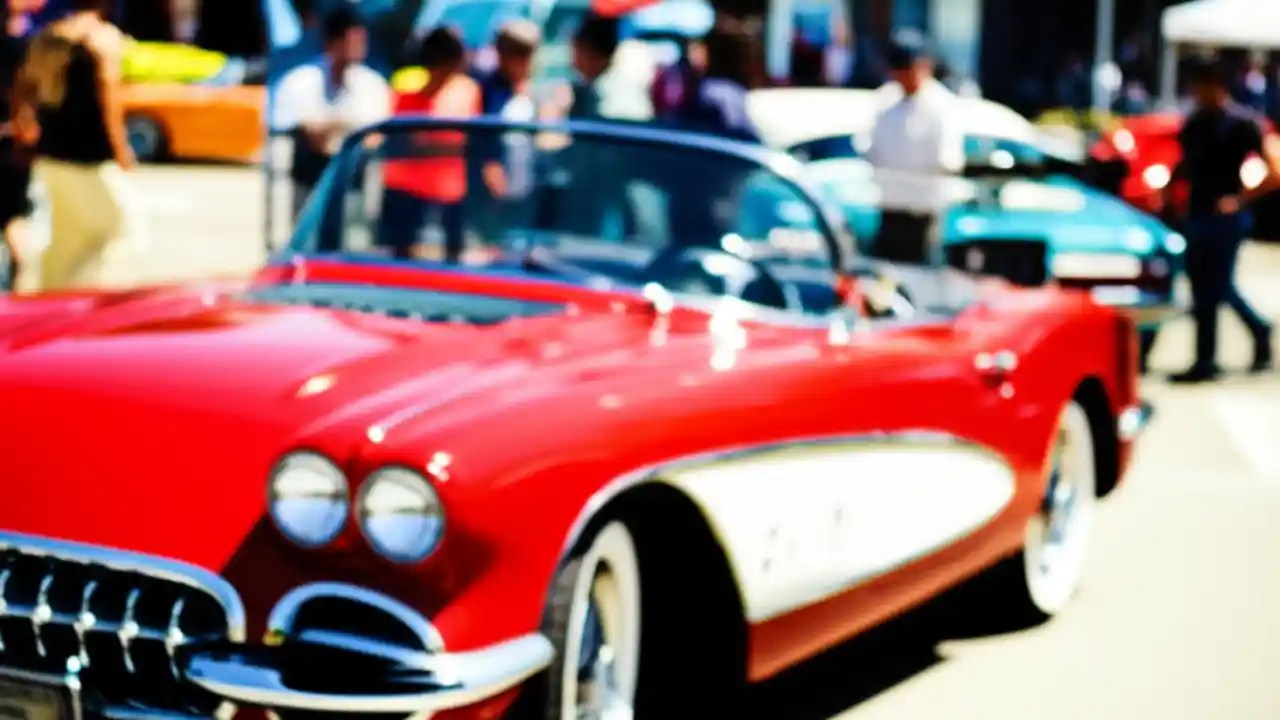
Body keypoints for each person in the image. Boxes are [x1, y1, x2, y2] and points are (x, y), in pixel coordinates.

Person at [12, 0, 147, 292]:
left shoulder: (50, 35)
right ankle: (92, 298)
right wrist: (122, 150)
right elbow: (109, 99)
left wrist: (24, 126)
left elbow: (23, 84)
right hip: (91, 157)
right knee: (121, 228)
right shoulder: (102, 38)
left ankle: (50, 296)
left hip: (52, 153)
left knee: (67, 237)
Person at [1168, 57, 1280, 383]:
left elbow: (1274, 170)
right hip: (1197, 213)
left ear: (1217, 86)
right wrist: (1168, 192)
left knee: (1217, 287)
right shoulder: (1195, 122)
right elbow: (1185, 163)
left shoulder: (1241, 123)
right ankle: (1208, 357)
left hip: (1226, 218)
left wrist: (1240, 199)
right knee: (1203, 288)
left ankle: (1236, 342)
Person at [274, 6, 389, 218]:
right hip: (309, 185)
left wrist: (334, 129)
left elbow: (374, 138)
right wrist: (347, 129)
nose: (358, 49)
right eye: (351, 42)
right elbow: (311, 135)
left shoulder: (373, 85)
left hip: (354, 186)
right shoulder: (301, 81)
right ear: (332, 43)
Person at [380, 26, 479, 261]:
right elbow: (401, 143)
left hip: (449, 193)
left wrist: (430, 146)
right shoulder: (405, 88)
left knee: (453, 261)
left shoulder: (467, 90)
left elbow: (470, 141)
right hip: (406, 191)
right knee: (401, 260)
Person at [864, 28, 963, 265]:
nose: (905, 77)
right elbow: (871, 149)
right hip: (890, 208)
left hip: (924, 212)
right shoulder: (885, 100)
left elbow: (947, 160)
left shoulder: (941, 105)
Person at [473, 17, 539, 230]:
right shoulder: (488, 89)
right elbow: (482, 136)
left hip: (526, 185)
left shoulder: (535, 91)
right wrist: (491, 167)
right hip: (494, 188)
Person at [1, 0, 35, 288]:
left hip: (11, 135)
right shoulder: (20, 48)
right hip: (10, 137)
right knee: (14, 215)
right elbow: (23, 95)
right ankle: (19, 286)